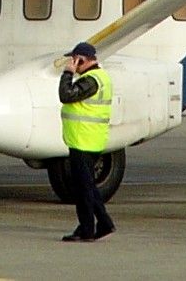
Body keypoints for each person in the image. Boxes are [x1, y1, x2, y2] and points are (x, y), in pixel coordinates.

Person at [57, 41, 115, 242]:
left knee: (83, 189)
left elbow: (66, 95)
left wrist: (67, 74)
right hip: (90, 139)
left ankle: (87, 229)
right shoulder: (101, 77)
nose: (71, 62)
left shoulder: (91, 80)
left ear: (81, 59)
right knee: (87, 186)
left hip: (84, 140)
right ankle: (104, 223)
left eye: (74, 59)